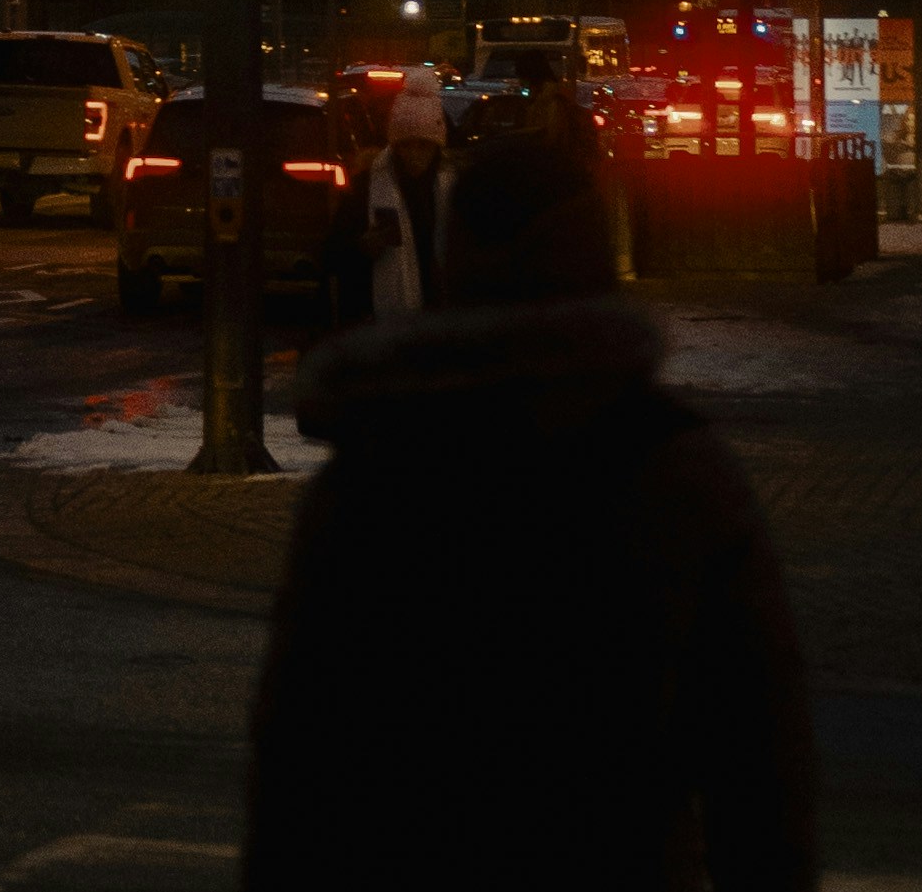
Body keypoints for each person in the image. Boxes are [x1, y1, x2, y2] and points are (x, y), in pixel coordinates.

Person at [244, 135, 815, 892]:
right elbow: (756, 755)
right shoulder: (667, 471)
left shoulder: (376, 470)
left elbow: (298, 753)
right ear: (590, 258)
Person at [363, 67, 452, 313]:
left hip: (439, 313)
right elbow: (332, 256)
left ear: (436, 148)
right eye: (405, 146)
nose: (414, 155)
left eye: (423, 145)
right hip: (383, 324)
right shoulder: (369, 185)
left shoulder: (452, 189)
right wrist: (364, 248)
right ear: (394, 147)